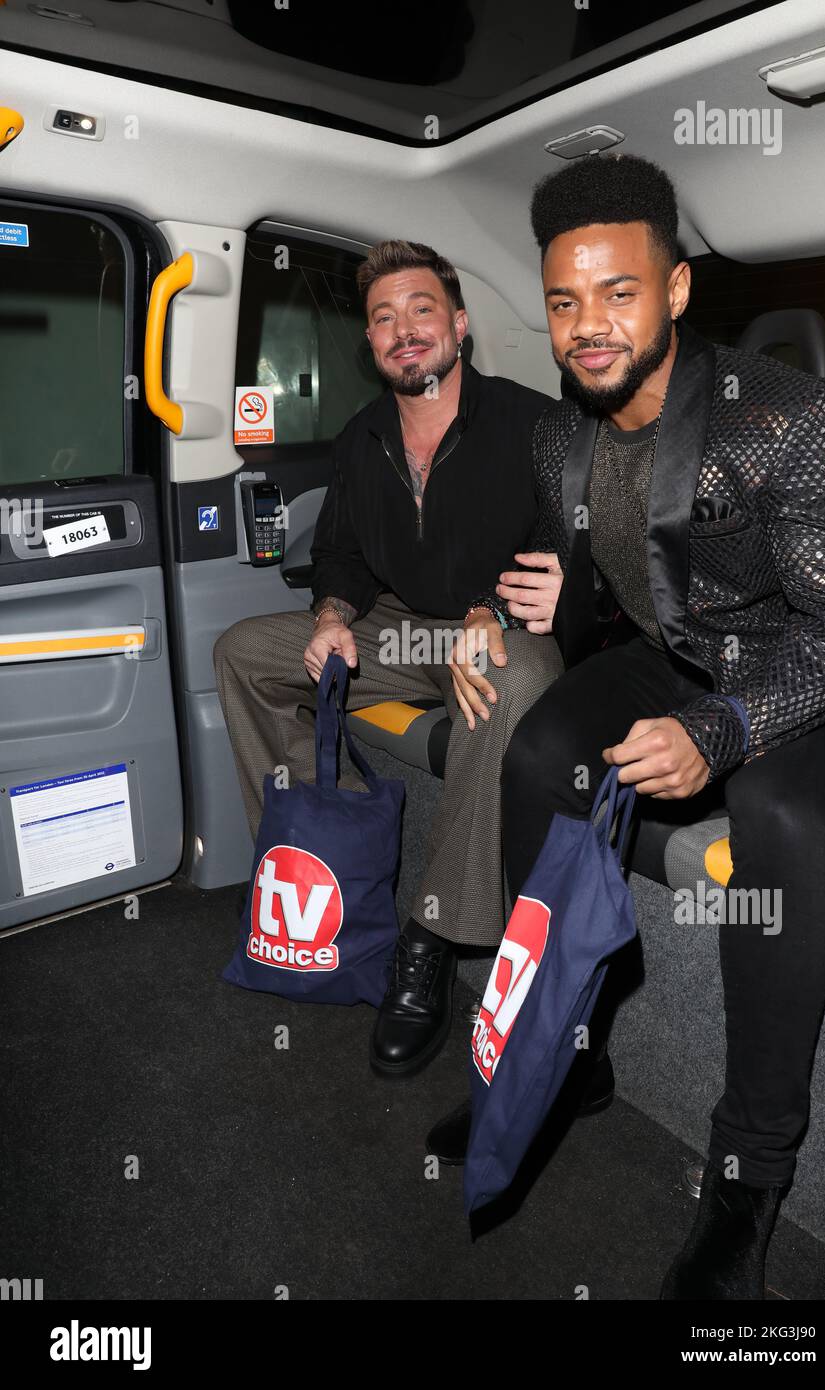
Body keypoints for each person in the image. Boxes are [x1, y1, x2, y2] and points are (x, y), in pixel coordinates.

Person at [428, 153, 825, 1301]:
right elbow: (564, 575)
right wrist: (486, 611)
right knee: (534, 750)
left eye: (617, 292)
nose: (585, 326)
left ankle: (746, 1174)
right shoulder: (558, 437)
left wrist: (719, 734)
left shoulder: (790, 419)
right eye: (563, 301)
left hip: (792, 673)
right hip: (669, 652)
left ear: (673, 290)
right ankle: (564, 1054)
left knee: (772, 819)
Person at [214, 240, 564, 1079]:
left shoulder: (531, 421)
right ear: (372, 344)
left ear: (459, 326)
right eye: (383, 318)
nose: (403, 330)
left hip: (501, 630)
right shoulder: (361, 437)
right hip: (404, 632)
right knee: (244, 652)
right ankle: (312, 873)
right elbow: (340, 556)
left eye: (420, 311)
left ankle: (432, 935)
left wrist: (492, 606)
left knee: (509, 678)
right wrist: (334, 616)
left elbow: (566, 545)